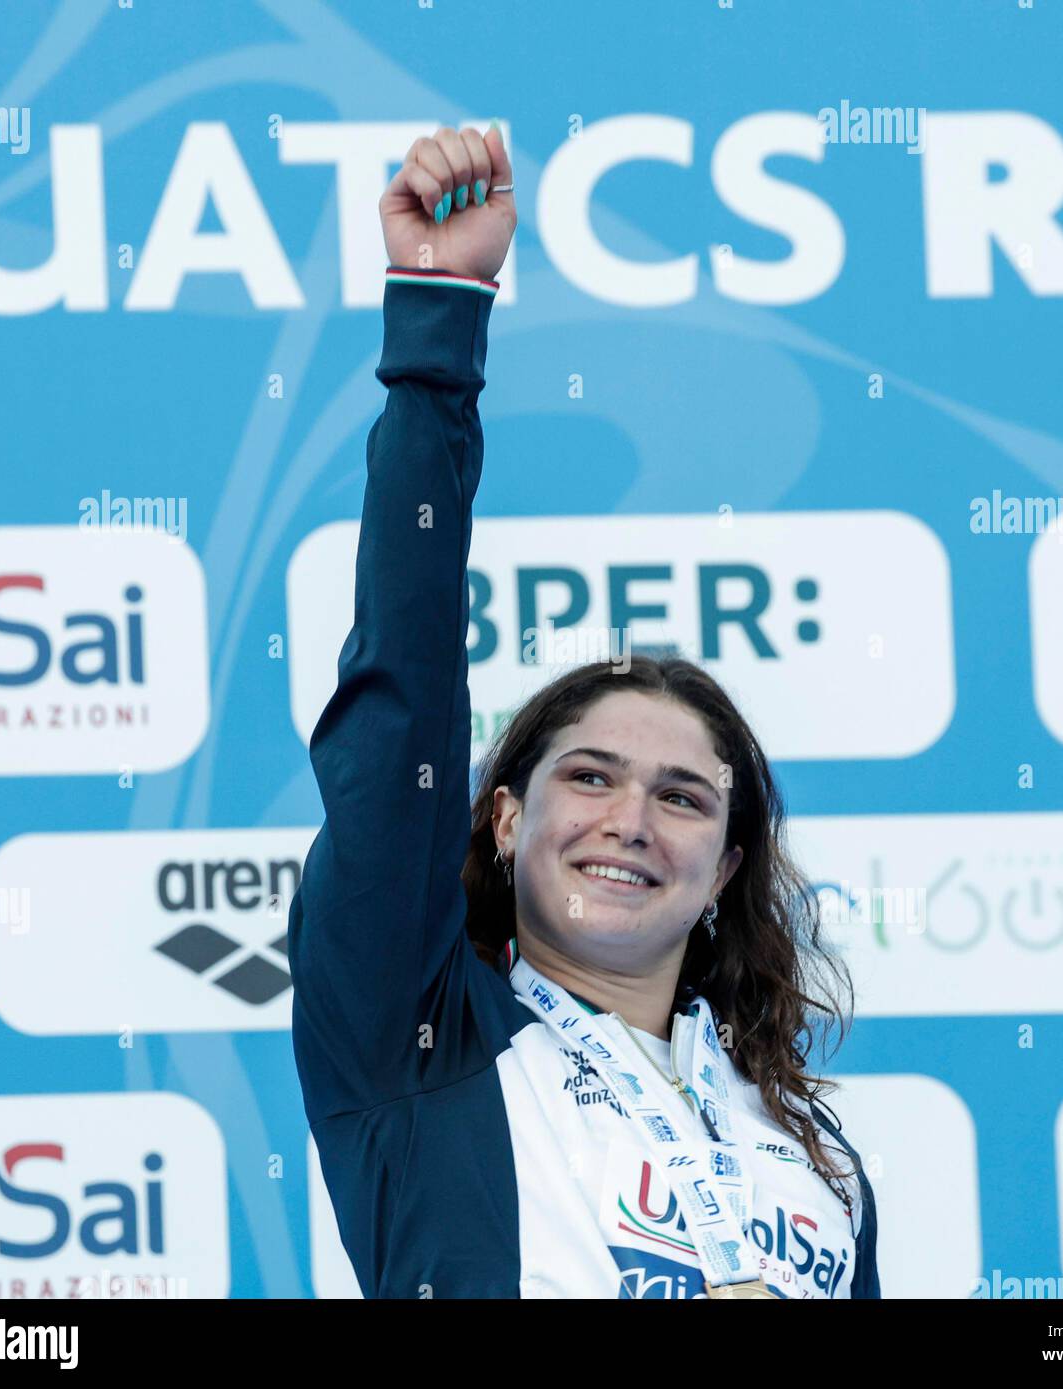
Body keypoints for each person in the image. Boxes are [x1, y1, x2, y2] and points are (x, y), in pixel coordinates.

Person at [287, 121, 880, 1300]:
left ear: (723, 870)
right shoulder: (418, 1044)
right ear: (504, 820)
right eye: (589, 776)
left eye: (681, 797)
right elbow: (398, 698)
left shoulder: (819, 1158)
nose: (629, 821)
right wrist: (437, 328)